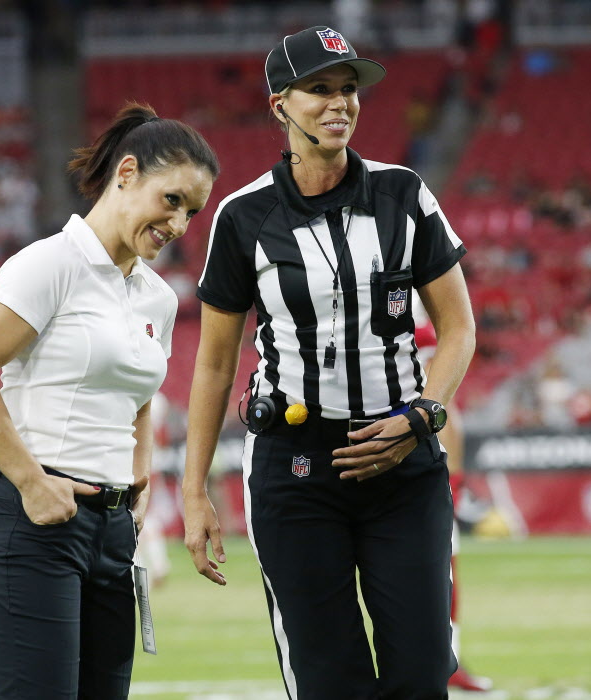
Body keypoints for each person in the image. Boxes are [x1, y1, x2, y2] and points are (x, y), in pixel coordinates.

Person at [182, 26, 475, 699]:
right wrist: (194, 490)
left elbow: (458, 328)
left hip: (405, 463)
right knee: (328, 679)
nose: (340, 103)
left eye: (348, 90)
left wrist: (423, 415)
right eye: (320, 90)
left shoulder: (405, 195)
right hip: (294, 469)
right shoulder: (243, 217)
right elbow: (213, 365)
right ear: (279, 104)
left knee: (423, 672)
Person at [0, 102, 218, 699]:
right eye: (171, 200)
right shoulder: (49, 264)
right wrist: (31, 482)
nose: (179, 223)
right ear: (126, 175)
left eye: (192, 211)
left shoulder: (158, 298)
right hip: (32, 524)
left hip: (112, 533)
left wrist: (138, 474)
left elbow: (140, 394)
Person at [414, 297, 492, 693]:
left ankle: (447, 659)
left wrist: (454, 477)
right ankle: (443, 660)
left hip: (414, 463)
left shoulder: (421, 334)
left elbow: (440, 408)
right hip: (400, 462)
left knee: (443, 567)